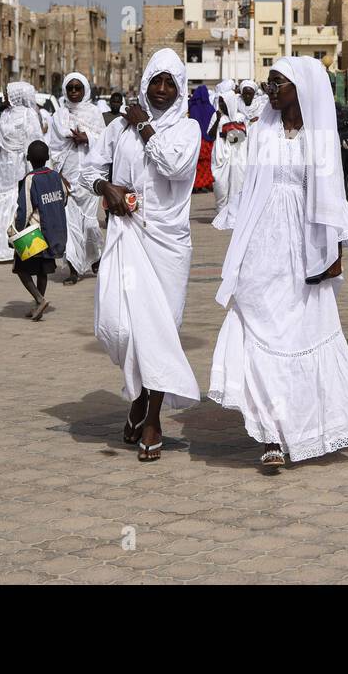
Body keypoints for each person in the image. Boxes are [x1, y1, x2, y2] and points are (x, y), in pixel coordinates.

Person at [209, 56, 348, 468]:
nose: (270, 89)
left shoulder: (320, 138)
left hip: (305, 247)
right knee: (256, 320)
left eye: (278, 82)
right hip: (264, 242)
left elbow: (331, 199)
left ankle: (299, 426)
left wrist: (332, 252)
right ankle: (270, 435)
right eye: (269, 82)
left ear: (300, 87)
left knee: (300, 331)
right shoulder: (262, 132)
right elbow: (249, 190)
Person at [82, 48, 201, 463]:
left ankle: (151, 415)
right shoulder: (119, 127)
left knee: (160, 331)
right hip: (125, 235)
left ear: (180, 88)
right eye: (156, 81)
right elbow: (88, 169)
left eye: (170, 83)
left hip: (167, 244)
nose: (163, 90)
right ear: (145, 83)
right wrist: (106, 188)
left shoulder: (187, 129)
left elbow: (174, 168)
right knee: (121, 327)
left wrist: (145, 127)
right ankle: (136, 396)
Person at [47, 72, 105, 282]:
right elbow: (54, 149)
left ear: (85, 90)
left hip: (90, 177)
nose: (73, 92)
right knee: (71, 228)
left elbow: (104, 141)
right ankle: (73, 269)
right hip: (68, 179)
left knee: (89, 225)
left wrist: (87, 137)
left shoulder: (94, 113)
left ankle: (95, 256)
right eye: (70, 88)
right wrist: (58, 176)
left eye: (77, 88)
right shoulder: (58, 117)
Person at [0, 81, 44, 262]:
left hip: (22, 165)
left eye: (7, 94)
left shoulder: (29, 114)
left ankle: (23, 248)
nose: (4, 97)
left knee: (21, 202)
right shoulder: (5, 114)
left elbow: (35, 142)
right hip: (5, 166)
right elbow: (0, 144)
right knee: (0, 200)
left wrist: (33, 169)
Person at [14, 140, 68, 320]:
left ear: (28, 158)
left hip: (35, 234)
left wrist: (17, 232)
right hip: (53, 232)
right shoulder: (55, 176)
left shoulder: (30, 179)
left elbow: (25, 210)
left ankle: (39, 299)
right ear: (47, 158)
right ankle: (39, 305)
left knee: (21, 269)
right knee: (43, 270)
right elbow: (65, 198)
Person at [211, 89, 248, 211]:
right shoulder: (217, 116)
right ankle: (221, 211)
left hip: (238, 155)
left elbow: (242, 138)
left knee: (237, 184)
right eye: (220, 102)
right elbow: (210, 135)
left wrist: (229, 133)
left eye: (224, 102)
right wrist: (217, 120)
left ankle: (234, 212)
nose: (221, 105)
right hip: (220, 155)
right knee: (220, 184)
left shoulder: (240, 117)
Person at [188, 84, 216, 193]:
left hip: (196, 140)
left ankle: (195, 185)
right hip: (208, 141)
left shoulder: (193, 108)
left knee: (196, 165)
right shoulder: (210, 108)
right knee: (206, 165)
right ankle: (204, 184)